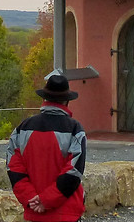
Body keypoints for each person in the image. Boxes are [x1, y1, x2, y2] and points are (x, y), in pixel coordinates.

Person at [6, 74, 86, 222]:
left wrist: (31, 198)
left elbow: (14, 168)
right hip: (66, 212)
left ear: (44, 99)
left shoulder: (22, 129)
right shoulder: (75, 129)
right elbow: (74, 172)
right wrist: (46, 200)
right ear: (67, 101)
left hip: (34, 212)